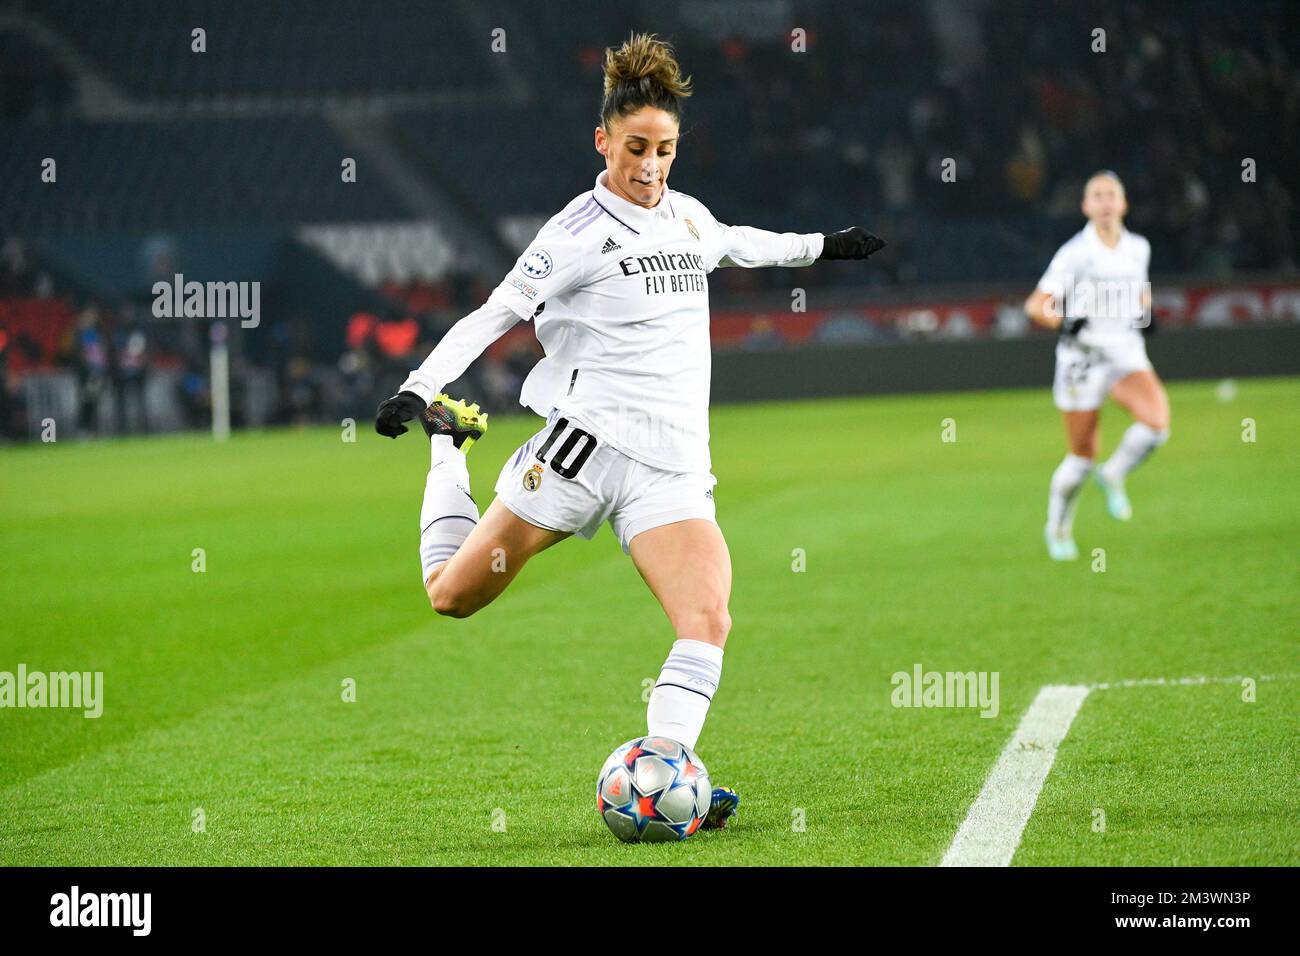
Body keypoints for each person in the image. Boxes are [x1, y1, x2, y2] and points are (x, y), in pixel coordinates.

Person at [375, 33, 884, 834]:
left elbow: (747, 242)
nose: (650, 167)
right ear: (603, 140)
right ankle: (450, 447)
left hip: (671, 468)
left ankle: (667, 773)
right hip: (579, 457)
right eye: (636, 148)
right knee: (452, 597)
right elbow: (496, 313)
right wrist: (418, 388)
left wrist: (829, 245)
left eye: (666, 150)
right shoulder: (574, 233)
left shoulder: (688, 217)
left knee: (707, 618)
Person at [1024, 171, 1169, 561]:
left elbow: (1138, 291)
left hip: (1124, 350)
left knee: (1157, 426)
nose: (1105, 201)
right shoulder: (1076, 253)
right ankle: (1057, 526)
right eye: (1097, 195)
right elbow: (1036, 305)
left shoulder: (1139, 247)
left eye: (1112, 195)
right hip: (1083, 358)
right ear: (1086, 206)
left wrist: (1145, 313)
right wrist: (1066, 321)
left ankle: (1115, 473)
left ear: (1123, 204)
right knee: (1081, 457)